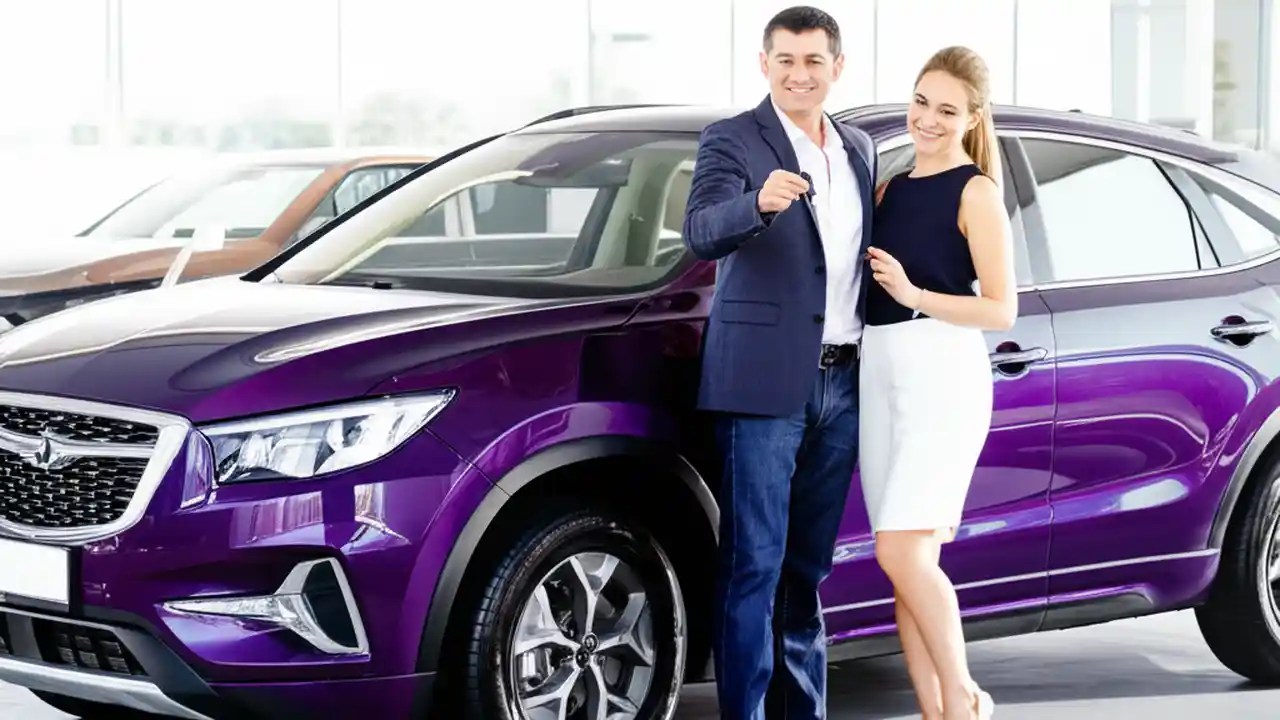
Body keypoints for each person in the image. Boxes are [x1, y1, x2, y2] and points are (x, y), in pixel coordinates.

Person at [681, 6, 876, 719]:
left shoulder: (858, 147)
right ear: (764, 64)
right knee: (753, 566)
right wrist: (755, 205)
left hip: (844, 382)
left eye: (814, 61)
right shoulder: (732, 140)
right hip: (764, 385)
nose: (800, 74)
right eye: (786, 60)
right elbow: (699, 232)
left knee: (807, 570)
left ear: (837, 68)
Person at [859, 45, 1017, 720]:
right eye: (921, 101)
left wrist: (915, 292)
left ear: (972, 117)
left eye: (946, 110)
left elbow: (1000, 308)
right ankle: (937, 713)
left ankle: (965, 694)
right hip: (879, 370)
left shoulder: (975, 190)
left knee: (902, 548)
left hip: (941, 374)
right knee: (901, 562)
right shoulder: (891, 186)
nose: (926, 119)